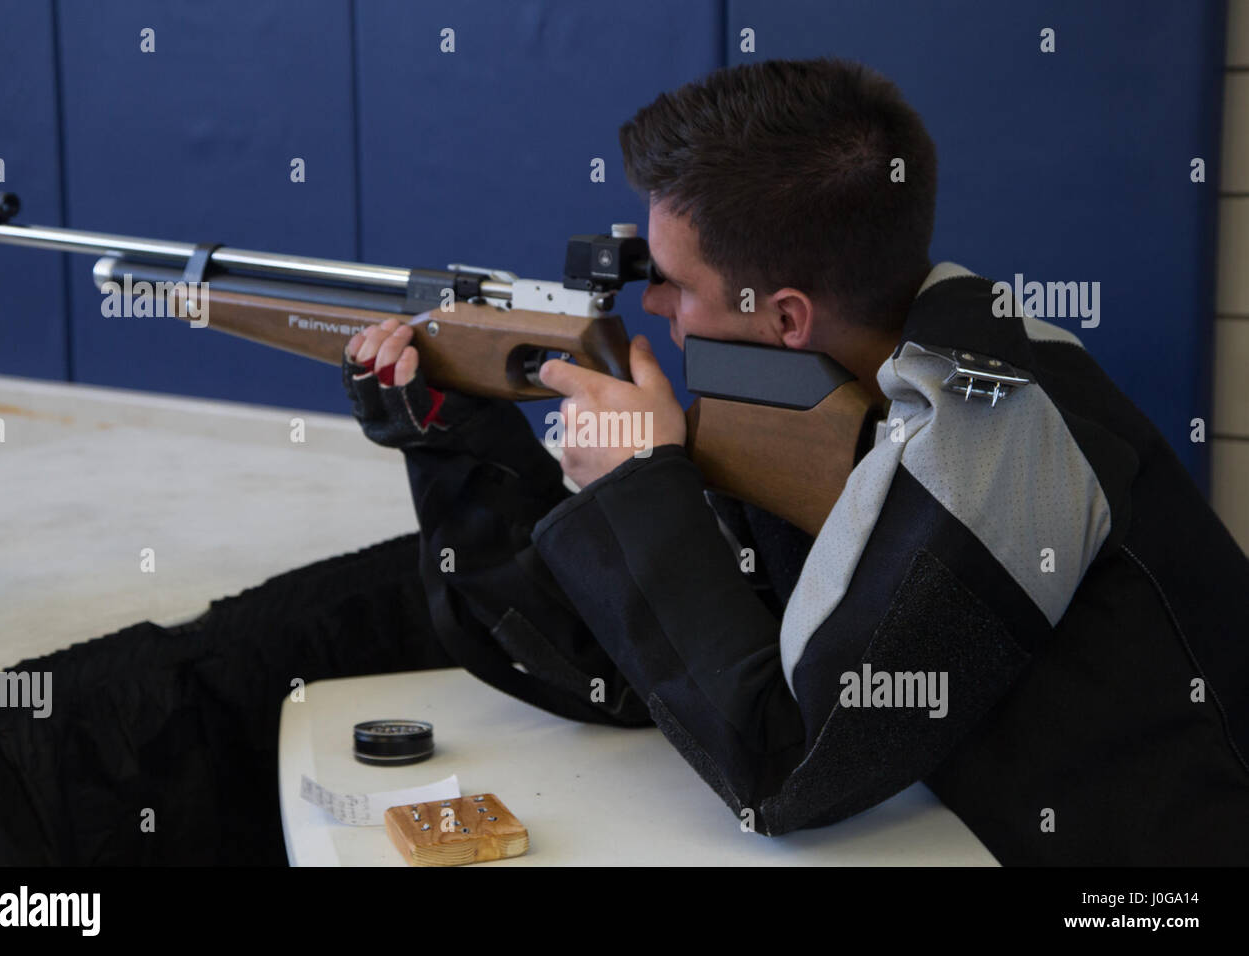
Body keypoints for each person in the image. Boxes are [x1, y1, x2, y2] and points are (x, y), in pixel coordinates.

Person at [341, 57, 1249, 865]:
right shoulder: (842, 386)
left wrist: (634, 483)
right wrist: (452, 434)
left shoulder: (996, 431)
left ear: (784, 316)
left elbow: (782, 774)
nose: (654, 303)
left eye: (675, 282)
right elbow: (633, 671)